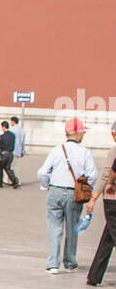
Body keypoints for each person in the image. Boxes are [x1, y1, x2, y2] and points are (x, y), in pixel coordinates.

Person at [36, 117, 98, 273]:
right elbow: (93, 175)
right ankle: (69, 262)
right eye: (82, 132)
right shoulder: (85, 152)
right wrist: (86, 187)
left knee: (54, 228)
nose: (83, 135)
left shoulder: (57, 150)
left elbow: (42, 172)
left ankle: (52, 264)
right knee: (72, 228)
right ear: (77, 134)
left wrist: (46, 185)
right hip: (73, 194)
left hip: (55, 191)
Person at [85, 119, 116, 286]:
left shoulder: (115, 151)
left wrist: (93, 198)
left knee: (112, 235)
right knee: (108, 237)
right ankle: (94, 275)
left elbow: (106, 174)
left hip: (112, 200)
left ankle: (94, 275)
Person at [0, 119, 20, 187]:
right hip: (11, 153)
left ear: (3, 127)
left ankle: (0, 182)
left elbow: (1, 146)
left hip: (4, 153)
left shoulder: (2, 136)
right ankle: (15, 181)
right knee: (8, 168)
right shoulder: (12, 135)